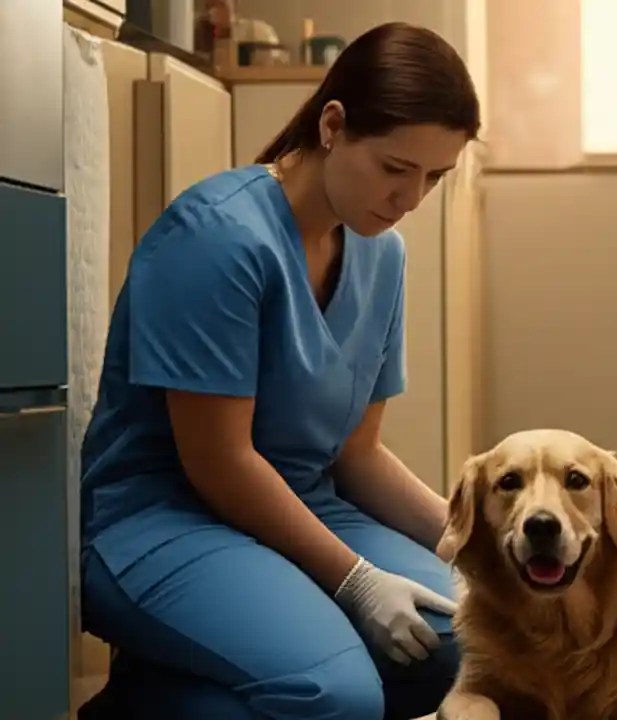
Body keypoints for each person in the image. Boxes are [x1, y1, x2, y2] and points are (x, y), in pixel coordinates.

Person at [76, 22, 479, 720]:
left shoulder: (382, 254)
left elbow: (358, 454)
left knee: (474, 649)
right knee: (339, 695)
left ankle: (173, 682)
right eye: (395, 168)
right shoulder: (218, 237)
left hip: (304, 505)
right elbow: (220, 463)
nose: (411, 199)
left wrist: (474, 541)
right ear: (332, 126)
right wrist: (355, 581)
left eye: (434, 177)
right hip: (165, 519)